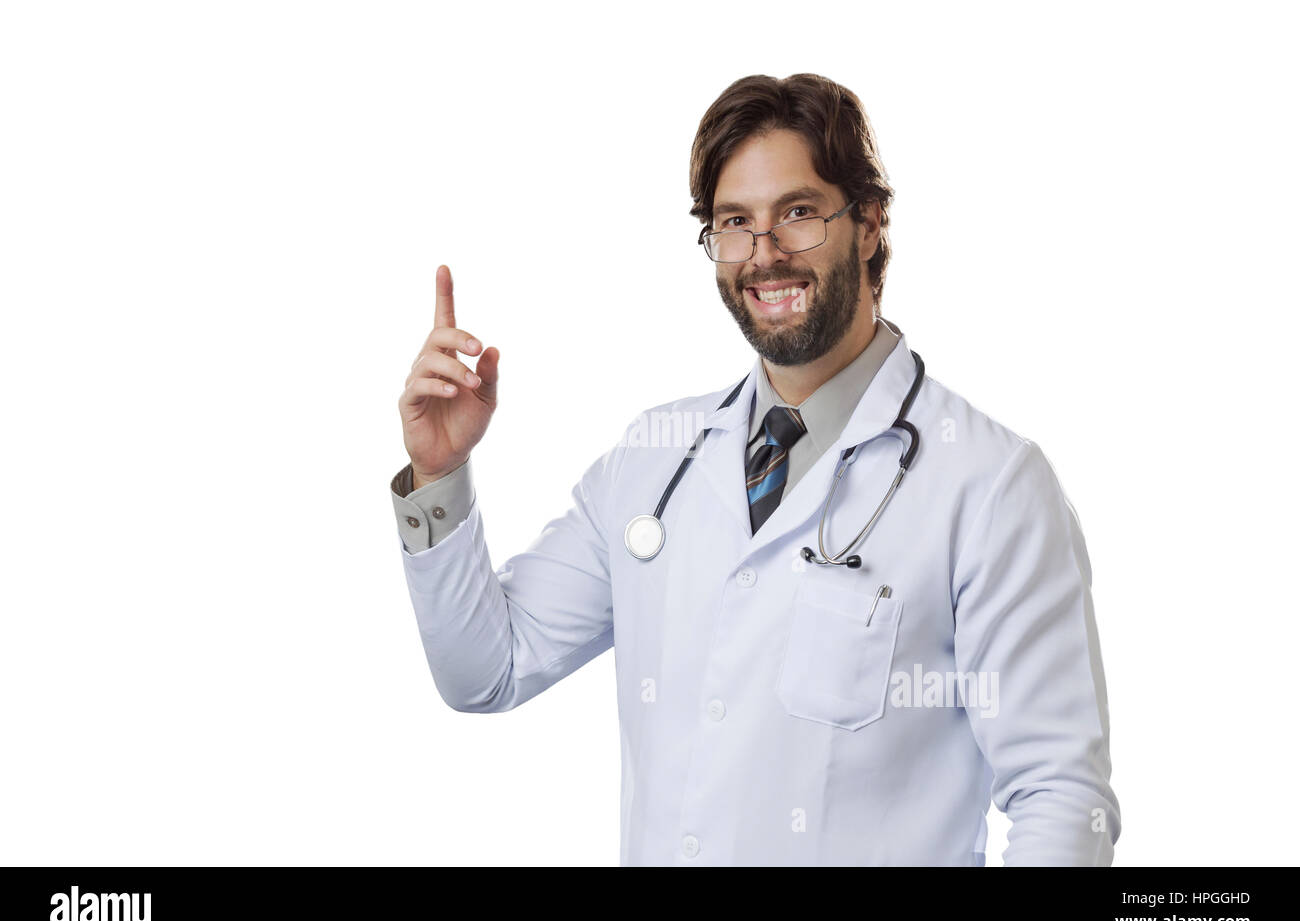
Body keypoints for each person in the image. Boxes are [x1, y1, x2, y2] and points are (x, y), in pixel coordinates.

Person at [389, 73, 1120, 866]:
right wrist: (440, 473)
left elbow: (1059, 797)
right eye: (735, 222)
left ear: (870, 224)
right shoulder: (654, 459)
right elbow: (486, 672)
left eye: (798, 213)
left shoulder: (990, 485)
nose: (763, 254)